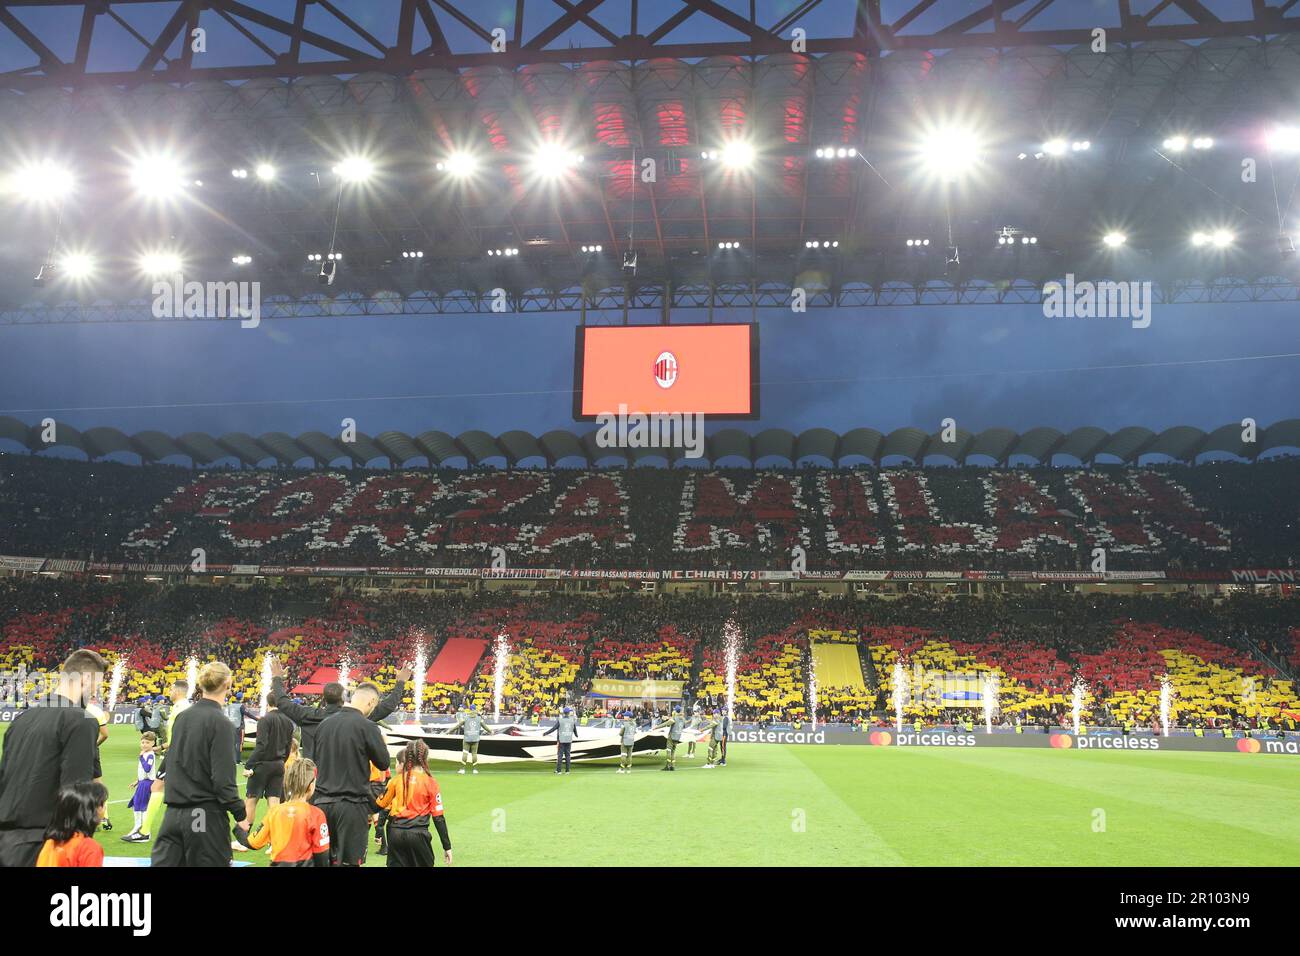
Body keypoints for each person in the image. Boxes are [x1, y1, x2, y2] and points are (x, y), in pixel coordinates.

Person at [0, 648, 105, 867]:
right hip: (46, 845)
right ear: (85, 678)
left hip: (6, 843)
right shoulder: (81, 720)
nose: (95, 693)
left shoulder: (21, 720)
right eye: (96, 686)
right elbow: (76, 792)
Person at [150, 662, 249, 867]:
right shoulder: (221, 723)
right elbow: (223, 780)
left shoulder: (183, 717)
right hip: (202, 814)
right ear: (227, 684)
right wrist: (241, 814)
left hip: (173, 815)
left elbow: (172, 759)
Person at [311, 682, 391, 866]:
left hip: (322, 804)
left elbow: (316, 760)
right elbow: (383, 762)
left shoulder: (324, 725)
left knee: (323, 862)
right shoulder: (367, 726)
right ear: (371, 702)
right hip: (352, 805)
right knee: (350, 863)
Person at [268, 658, 411, 760]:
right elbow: (388, 706)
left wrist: (277, 678)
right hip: (344, 782)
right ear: (344, 699)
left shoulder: (307, 715)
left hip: (314, 781)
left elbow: (282, 701)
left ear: (324, 698)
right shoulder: (355, 717)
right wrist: (400, 682)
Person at [376, 740, 453, 867]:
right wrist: (447, 846)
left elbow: (380, 805)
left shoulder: (396, 780)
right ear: (425, 758)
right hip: (418, 836)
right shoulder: (430, 783)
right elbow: (438, 818)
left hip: (395, 834)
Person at [247, 758, 330, 866]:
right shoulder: (316, 814)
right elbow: (322, 855)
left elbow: (254, 842)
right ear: (310, 786)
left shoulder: (274, 811)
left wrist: (239, 830)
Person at [137, 678, 191, 844]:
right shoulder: (181, 707)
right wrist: (159, 748)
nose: (169, 691)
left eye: (171, 689)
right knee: (179, 790)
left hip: (177, 754)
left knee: (158, 787)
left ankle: (144, 831)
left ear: (177, 690)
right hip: (175, 751)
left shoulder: (182, 708)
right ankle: (190, 830)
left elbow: (182, 735)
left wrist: (171, 749)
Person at [242, 696, 294, 836]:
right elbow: (289, 746)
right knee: (274, 803)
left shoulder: (265, 719)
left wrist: (249, 765)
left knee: (251, 800)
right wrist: (281, 761)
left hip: (263, 764)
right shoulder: (288, 722)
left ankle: (243, 838)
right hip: (278, 764)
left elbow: (261, 745)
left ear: (268, 702)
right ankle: (275, 839)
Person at [36, 781, 109, 868]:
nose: (104, 809)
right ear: (90, 811)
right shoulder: (89, 848)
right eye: (102, 804)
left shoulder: (51, 843)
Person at [120, 732, 158, 843]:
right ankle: (138, 827)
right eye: (143, 742)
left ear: (153, 743)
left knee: (142, 806)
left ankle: (144, 831)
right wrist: (137, 781)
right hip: (143, 782)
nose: (144, 745)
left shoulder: (150, 755)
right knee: (136, 804)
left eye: (147, 742)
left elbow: (147, 768)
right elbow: (145, 772)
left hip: (147, 784)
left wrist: (141, 757)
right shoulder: (146, 754)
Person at [449, 703, 491, 775]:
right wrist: (491, 731)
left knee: (465, 753)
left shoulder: (466, 718)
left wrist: (450, 731)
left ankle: (462, 769)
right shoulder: (479, 718)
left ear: (470, 709)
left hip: (467, 738)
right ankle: (475, 770)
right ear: (475, 709)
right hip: (475, 738)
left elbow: (458, 725)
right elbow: (485, 726)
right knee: (474, 754)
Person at [543, 706, 579, 774]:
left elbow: (553, 728)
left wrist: (546, 733)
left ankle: (559, 770)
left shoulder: (560, 720)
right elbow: (574, 729)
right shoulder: (572, 720)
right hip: (569, 739)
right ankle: (567, 771)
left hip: (561, 740)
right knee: (568, 755)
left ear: (563, 713)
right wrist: (576, 735)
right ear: (569, 713)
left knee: (560, 755)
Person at [655, 705, 685, 771]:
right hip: (677, 737)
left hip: (672, 736)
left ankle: (668, 766)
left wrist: (656, 727)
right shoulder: (683, 719)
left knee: (669, 751)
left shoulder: (674, 718)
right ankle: (672, 766)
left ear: (675, 710)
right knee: (673, 752)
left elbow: (666, 724)